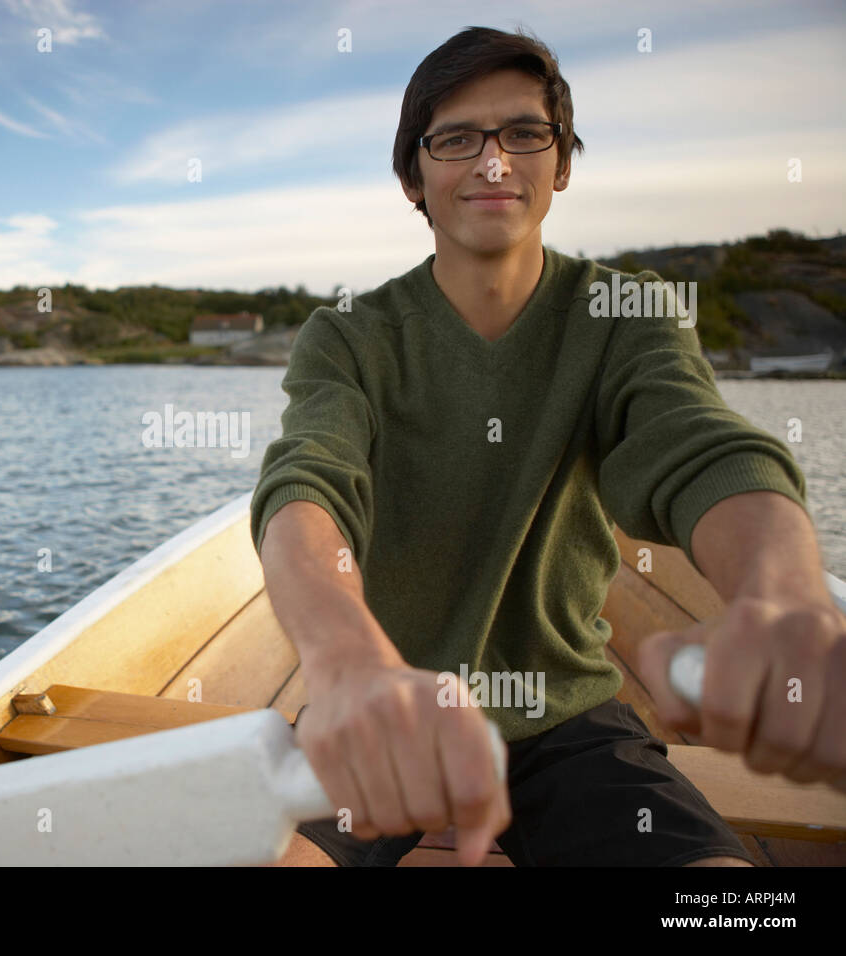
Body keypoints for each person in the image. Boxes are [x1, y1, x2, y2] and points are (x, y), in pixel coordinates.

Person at [250, 24, 846, 868]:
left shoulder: (627, 313)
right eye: (457, 139)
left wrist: (784, 597)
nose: (493, 163)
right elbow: (308, 483)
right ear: (412, 175)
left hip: (568, 713)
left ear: (560, 163)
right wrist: (348, 663)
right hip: (390, 703)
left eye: (525, 133)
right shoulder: (350, 335)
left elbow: (699, 444)